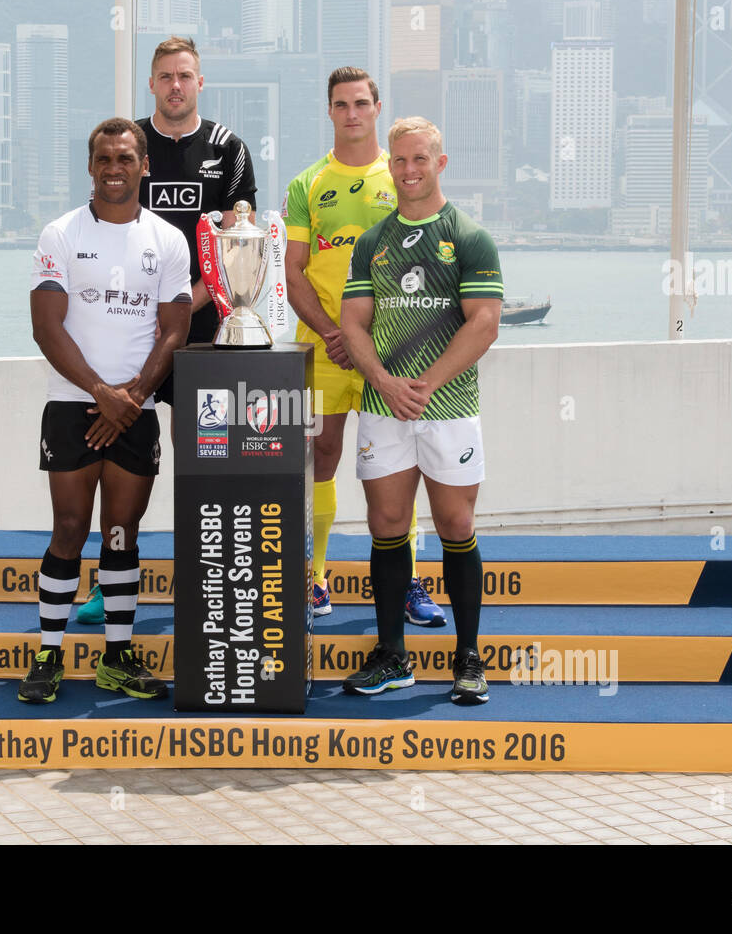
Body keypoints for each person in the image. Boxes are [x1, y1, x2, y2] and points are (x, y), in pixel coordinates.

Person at [77, 35, 258, 625]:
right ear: (151, 84)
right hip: (124, 331)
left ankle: (201, 579)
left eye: (186, 75)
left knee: (199, 459)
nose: (175, 85)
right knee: (118, 461)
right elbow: (97, 231)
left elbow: (237, 248)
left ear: (200, 83)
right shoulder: (124, 142)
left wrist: (180, 305)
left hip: (200, 332)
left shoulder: (228, 148)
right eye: (165, 76)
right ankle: (110, 582)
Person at [20, 117, 193, 704]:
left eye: (125, 159)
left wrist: (133, 398)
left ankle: (117, 658)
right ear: (90, 167)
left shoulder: (169, 240)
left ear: (145, 166)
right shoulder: (60, 234)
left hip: (135, 408)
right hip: (74, 405)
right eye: (104, 160)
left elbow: (175, 329)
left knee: (122, 534)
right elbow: (47, 328)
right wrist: (102, 393)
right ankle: (47, 657)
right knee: (69, 530)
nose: (114, 169)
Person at [338, 117, 503, 705]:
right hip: (384, 407)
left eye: (419, 160)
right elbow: (352, 323)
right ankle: (391, 655)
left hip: (450, 407)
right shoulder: (371, 242)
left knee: (457, 526)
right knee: (386, 526)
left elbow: (484, 322)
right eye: (399, 161)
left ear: (440, 162)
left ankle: (468, 657)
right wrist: (383, 380)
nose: (409, 171)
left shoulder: (470, 236)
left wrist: (427, 382)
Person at [284, 67, 445, 628]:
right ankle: (315, 577)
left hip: (393, 353)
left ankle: (407, 584)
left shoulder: (400, 175)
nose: (351, 113)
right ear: (328, 112)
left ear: (377, 108)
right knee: (320, 459)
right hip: (323, 347)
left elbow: (426, 259)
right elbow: (294, 271)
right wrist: (333, 332)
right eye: (340, 104)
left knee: (400, 467)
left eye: (360, 103)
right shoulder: (307, 184)